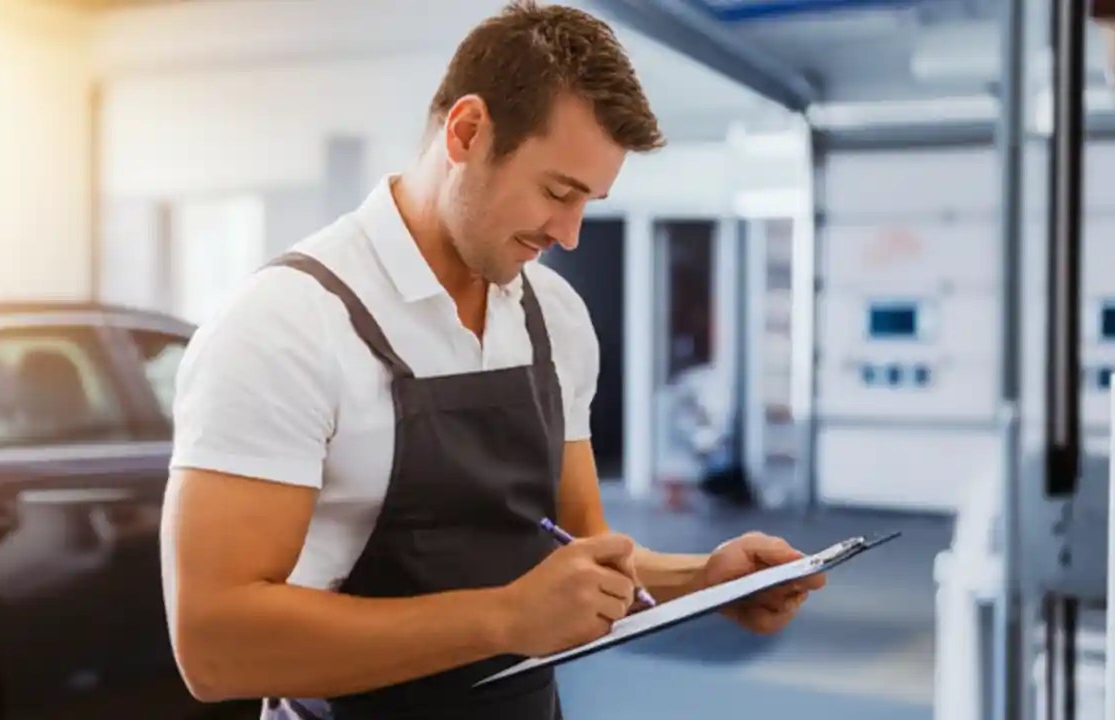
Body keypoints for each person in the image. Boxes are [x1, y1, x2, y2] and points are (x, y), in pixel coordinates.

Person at [160, 3, 826, 718]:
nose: (569, 234)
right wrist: (505, 619)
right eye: (557, 192)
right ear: (468, 132)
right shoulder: (286, 324)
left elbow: (580, 558)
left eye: (589, 203)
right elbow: (214, 646)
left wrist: (707, 579)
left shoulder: (554, 318)